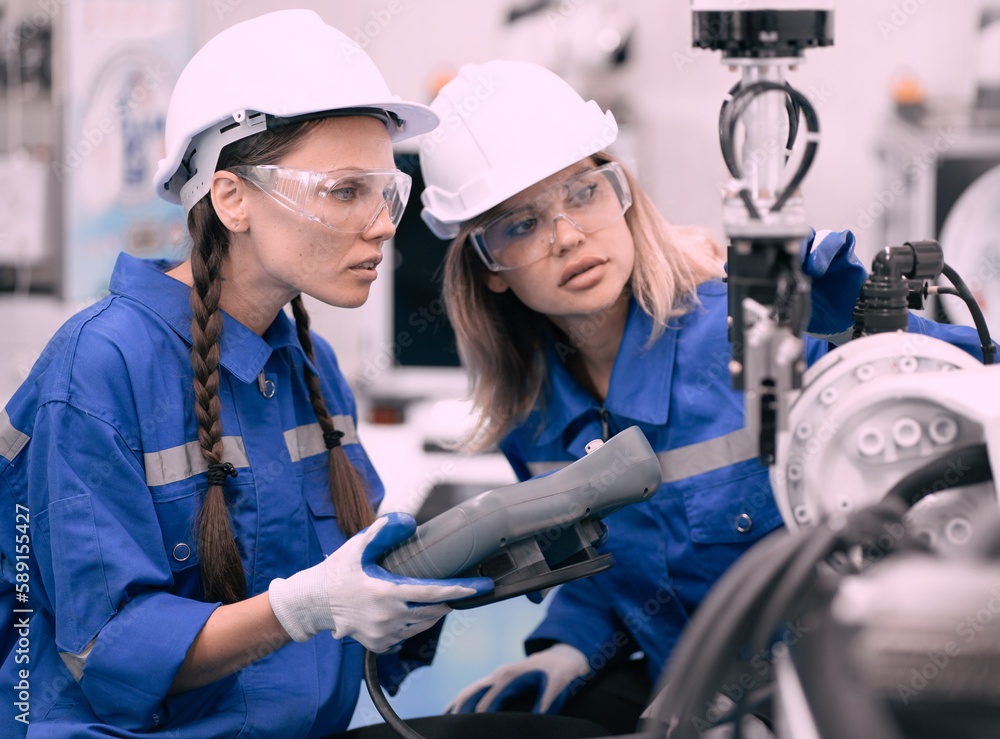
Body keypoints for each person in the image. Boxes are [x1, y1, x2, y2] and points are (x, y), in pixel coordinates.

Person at [416, 60, 987, 735]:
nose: (567, 236)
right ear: (488, 271)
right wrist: (569, 648)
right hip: (683, 699)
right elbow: (606, 571)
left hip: (832, 696)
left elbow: (965, 391)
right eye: (520, 225)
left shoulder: (752, 330)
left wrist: (859, 325)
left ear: (623, 194)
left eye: (585, 192)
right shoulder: (532, 420)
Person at [0, 11, 528, 739]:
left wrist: (418, 591)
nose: (381, 225)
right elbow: (106, 650)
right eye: (345, 191)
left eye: (387, 194)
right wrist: (299, 609)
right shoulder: (101, 364)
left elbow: (353, 590)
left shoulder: (310, 366)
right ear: (231, 198)